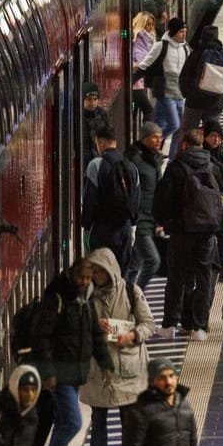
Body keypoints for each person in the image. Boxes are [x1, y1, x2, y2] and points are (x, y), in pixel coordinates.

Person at [30, 259, 114, 446]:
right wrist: (48, 373)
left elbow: (95, 335)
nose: (84, 282)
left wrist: (106, 363)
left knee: (63, 421)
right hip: (60, 374)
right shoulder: (57, 298)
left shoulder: (84, 300)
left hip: (76, 372)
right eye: (81, 278)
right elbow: (42, 338)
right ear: (72, 275)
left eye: (88, 279)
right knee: (73, 422)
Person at [78, 248, 156, 446]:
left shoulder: (131, 291)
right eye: (94, 272)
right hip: (99, 370)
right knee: (98, 419)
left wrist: (131, 335)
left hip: (128, 368)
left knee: (129, 421)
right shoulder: (85, 297)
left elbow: (148, 324)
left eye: (100, 272)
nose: (96, 276)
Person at [153, 130, 220, 341]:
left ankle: (170, 325)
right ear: (202, 146)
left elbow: (162, 200)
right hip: (207, 234)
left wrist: (167, 223)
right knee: (203, 278)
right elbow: (222, 202)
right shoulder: (213, 167)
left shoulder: (176, 168)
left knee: (176, 279)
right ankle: (199, 328)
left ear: (184, 145)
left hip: (181, 232)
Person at [81, 126, 140, 274]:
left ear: (101, 142)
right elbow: (137, 200)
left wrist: (86, 225)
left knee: (100, 274)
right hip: (124, 229)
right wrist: (132, 225)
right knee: (121, 276)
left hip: (102, 229)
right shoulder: (131, 167)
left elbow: (90, 198)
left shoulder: (96, 165)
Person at [134, 17, 190, 159]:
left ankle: (170, 158)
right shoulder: (161, 46)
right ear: (173, 32)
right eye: (181, 32)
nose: (184, 35)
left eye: (185, 32)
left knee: (165, 125)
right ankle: (149, 143)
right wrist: (132, 81)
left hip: (180, 93)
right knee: (174, 124)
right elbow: (144, 65)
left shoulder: (185, 48)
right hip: (164, 91)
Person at [125, 121, 166, 291]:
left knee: (135, 265)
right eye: (154, 137)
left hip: (151, 217)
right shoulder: (134, 159)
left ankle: (127, 296)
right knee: (152, 261)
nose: (159, 141)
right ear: (144, 138)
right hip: (140, 219)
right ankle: (135, 297)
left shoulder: (155, 158)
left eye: (160, 137)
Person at [179, 25, 223, 132]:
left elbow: (184, 76)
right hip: (215, 103)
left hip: (195, 101)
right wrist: (221, 96)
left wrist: (187, 94)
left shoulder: (196, 54)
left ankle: (190, 148)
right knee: (211, 133)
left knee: (189, 133)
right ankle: (208, 149)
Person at [202, 120, 223, 281]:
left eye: (218, 137)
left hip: (221, 197)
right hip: (206, 199)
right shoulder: (199, 152)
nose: (216, 140)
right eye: (212, 136)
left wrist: (211, 160)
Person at [131, 11, 157, 124]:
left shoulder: (150, 39)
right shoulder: (139, 38)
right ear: (142, 24)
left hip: (141, 81)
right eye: (148, 24)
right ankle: (147, 137)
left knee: (135, 111)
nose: (150, 27)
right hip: (136, 82)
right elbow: (143, 60)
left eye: (152, 24)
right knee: (149, 111)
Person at [81, 82, 113, 168]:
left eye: (95, 99)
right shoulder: (77, 116)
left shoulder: (102, 114)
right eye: (89, 100)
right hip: (83, 159)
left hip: (100, 157)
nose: (93, 103)